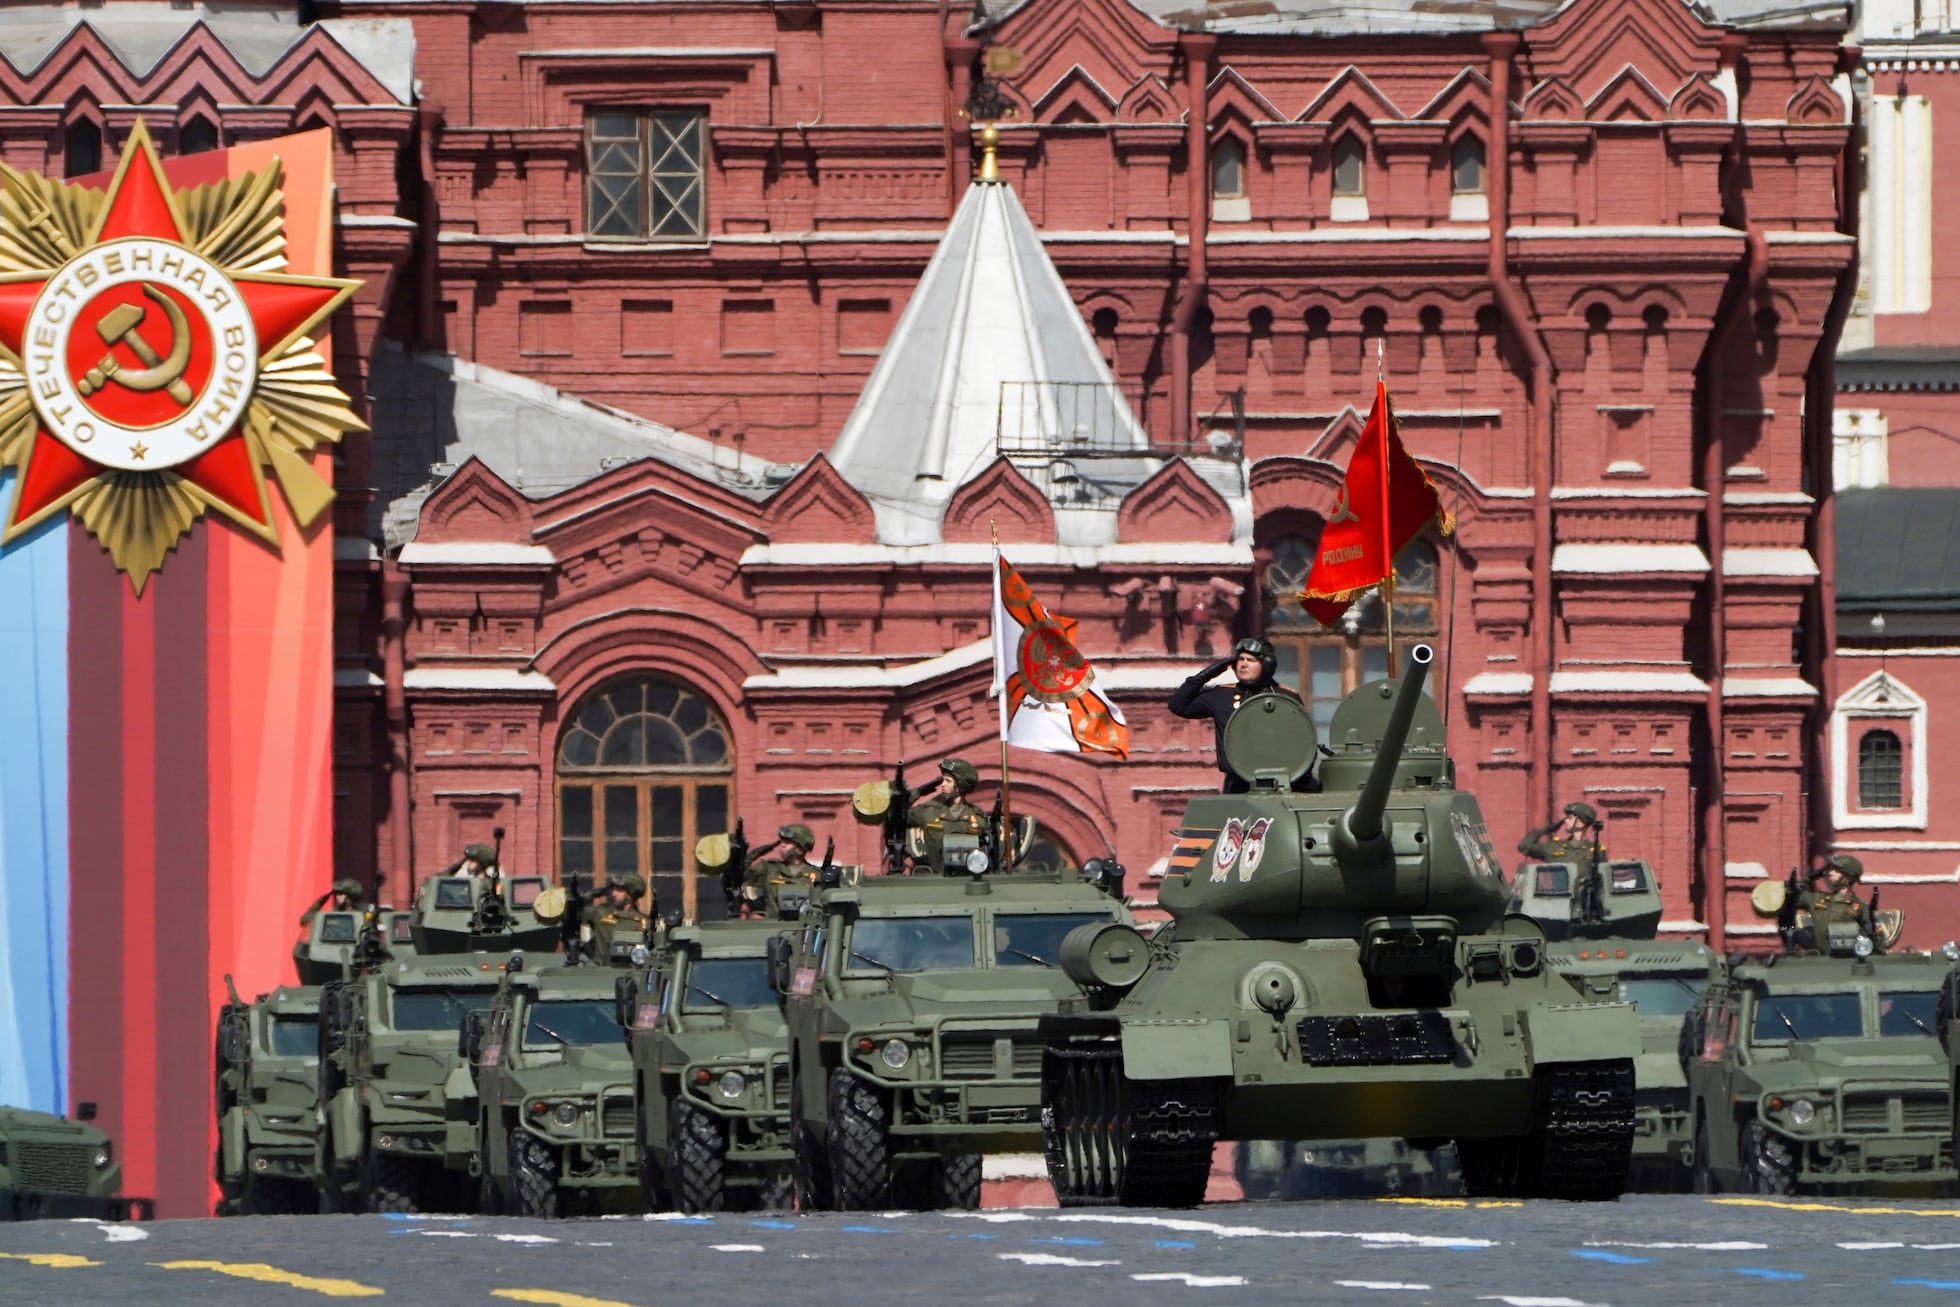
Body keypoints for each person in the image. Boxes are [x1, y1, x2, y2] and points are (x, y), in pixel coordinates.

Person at [1167, 638, 1310, 794]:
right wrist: (1205, 675)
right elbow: (1178, 705)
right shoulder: (1222, 695)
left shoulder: (1285, 697)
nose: (1243, 664)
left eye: (1250, 660)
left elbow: (1304, 741)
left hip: (1278, 784)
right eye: (1240, 659)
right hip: (1237, 783)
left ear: (1267, 664)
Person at [906, 757, 989, 872]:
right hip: (937, 881)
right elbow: (896, 817)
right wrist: (918, 792)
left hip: (970, 881)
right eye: (943, 780)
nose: (942, 785)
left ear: (960, 785)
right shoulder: (929, 811)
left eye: (948, 781)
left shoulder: (978, 817)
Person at [741, 824, 819, 917]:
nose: (782, 845)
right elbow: (741, 875)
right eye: (782, 841)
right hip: (772, 927)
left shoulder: (816, 875)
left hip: (804, 928)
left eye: (788, 842)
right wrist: (751, 855)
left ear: (800, 849)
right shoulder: (768, 869)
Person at [1794, 854, 1874, 939]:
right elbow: (1792, 892)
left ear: (1849, 877)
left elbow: (1873, 937)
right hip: (1820, 952)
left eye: (1836, 870)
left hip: (1846, 951)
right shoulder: (1817, 899)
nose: (1830, 872)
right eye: (1829, 869)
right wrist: (1816, 874)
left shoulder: (1860, 907)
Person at [581, 872, 651, 963]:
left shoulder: (644, 922)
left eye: (619, 890)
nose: (613, 893)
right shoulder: (600, 912)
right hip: (601, 971)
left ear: (631, 895)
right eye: (613, 889)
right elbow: (573, 911)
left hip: (629, 973)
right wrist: (592, 894)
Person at [299, 878, 364, 930]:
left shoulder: (360, 916)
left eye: (340, 894)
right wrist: (321, 901)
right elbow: (304, 920)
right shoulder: (332, 913)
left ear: (350, 897)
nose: (337, 896)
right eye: (336, 893)